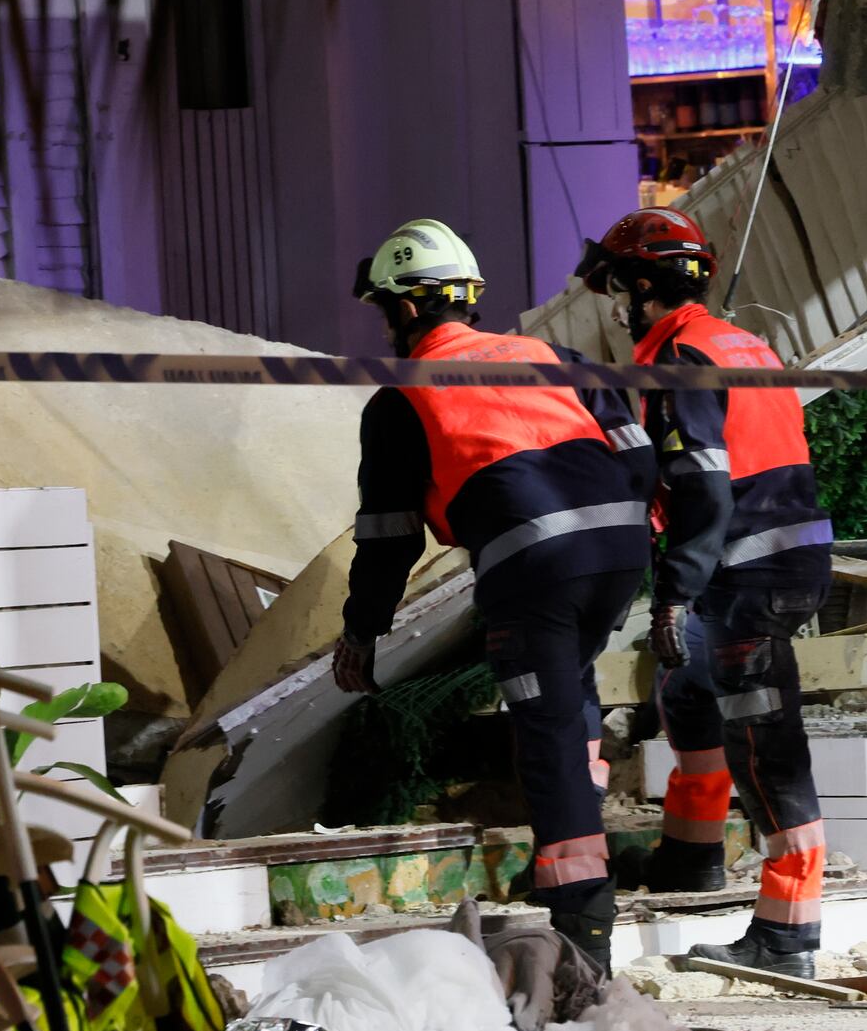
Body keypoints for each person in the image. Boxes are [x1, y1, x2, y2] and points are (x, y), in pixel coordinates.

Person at [335, 219, 654, 973]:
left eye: (383, 313)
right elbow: (638, 459)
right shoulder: (555, 357)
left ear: (404, 309)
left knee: (546, 736)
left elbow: (388, 538)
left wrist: (361, 631)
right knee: (568, 691)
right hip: (619, 549)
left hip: (534, 565)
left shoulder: (401, 398)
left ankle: (583, 931)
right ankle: (572, 845)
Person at [576, 207, 835, 980]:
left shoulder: (680, 357)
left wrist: (674, 593)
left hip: (747, 572)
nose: (615, 305)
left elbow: (703, 487)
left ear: (643, 285)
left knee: (765, 749)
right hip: (772, 559)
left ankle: (788, 936)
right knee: (686, 689)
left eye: (617, 286)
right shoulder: (737, 342)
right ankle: (691, 857)